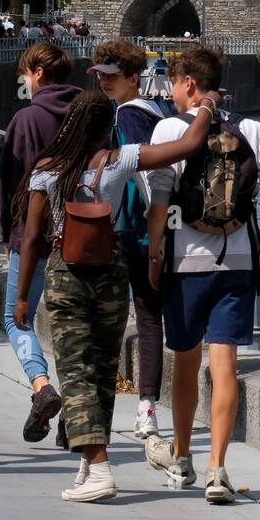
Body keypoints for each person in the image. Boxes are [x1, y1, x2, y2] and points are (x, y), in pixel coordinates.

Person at [12, 88, 219, 502]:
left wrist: (22, 297)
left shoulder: (47, 170)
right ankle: (88, 465)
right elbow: (190, 144)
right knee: (103, 372)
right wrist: (207, 107)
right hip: (111, 274)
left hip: (66, 275)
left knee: (75, 374)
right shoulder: (120, 159)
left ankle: (101, 469)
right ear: (109, 127)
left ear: (70, 126)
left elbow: (33, 238)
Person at [143, 47, 260, 503]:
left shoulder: (171, 128)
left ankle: (184, 457)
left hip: (185, 264)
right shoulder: (250, 128)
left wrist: (154, 255)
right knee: (225, 364)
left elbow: (159, 203)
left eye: (172, 83)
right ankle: (218, 469)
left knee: (186, 360)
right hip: (238, 261)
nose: (169, 93)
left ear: (189, 83)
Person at [0, 42, 81, 446]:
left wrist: (7, 229)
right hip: (81, 235)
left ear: (39, 73)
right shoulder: (89, 114)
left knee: (17, 318)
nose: (24, 82)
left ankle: (41, 384)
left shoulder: (26, 119)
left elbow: (10, 177)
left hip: (32, 236)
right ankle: (75, 420)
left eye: (26, 75)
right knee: (71, 327)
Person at [92, 41, 168, 437]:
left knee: (116, 317)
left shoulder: (129, 115)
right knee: (149, 316)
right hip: (147, 230)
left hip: (129, 231)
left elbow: (143, 173)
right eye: (100, 75)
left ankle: (113, 410)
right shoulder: (159, 112)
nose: (105, 81)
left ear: (133, 79)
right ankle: (147, 406)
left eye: (112, 76)